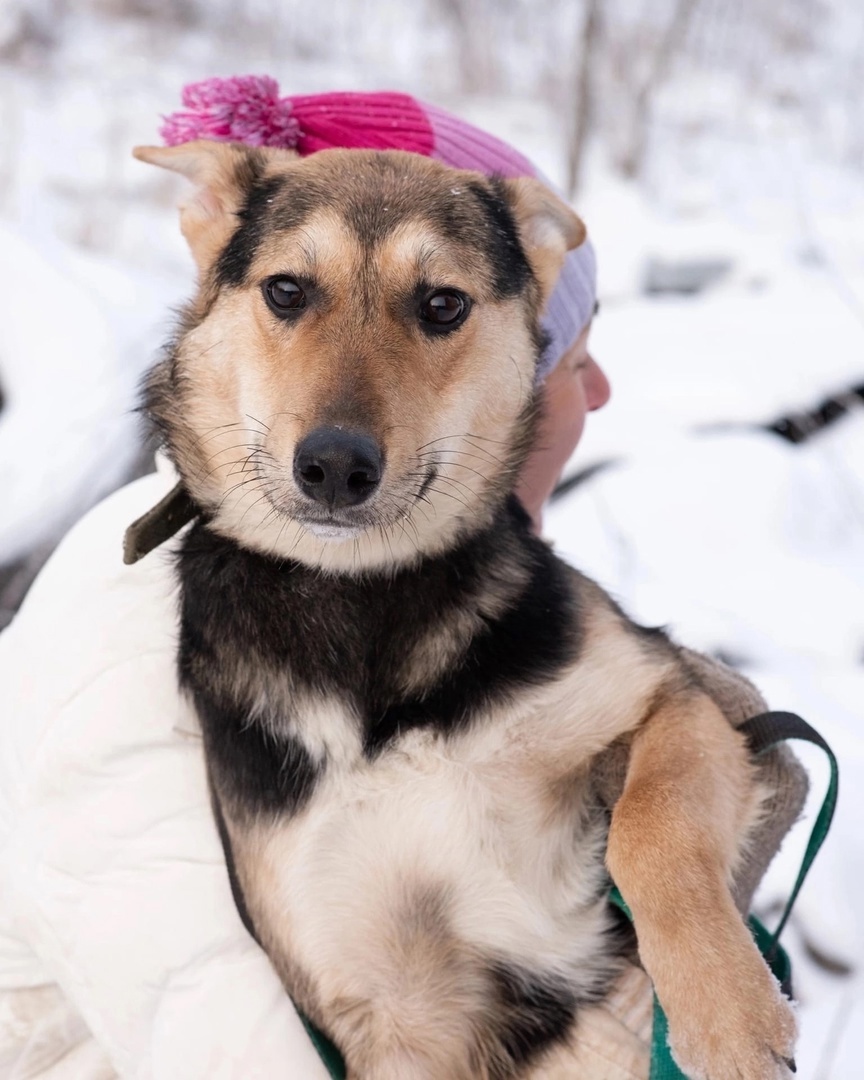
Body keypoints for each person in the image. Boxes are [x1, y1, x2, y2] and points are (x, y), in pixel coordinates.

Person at [0, 83, 803, 1080]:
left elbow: (666, 723)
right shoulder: (126, 621)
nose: (344, 422)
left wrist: (679, 879)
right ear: (214, 259)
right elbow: (225, 1045)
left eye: (437, 309)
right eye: (293, 296)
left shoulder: (465, 582)